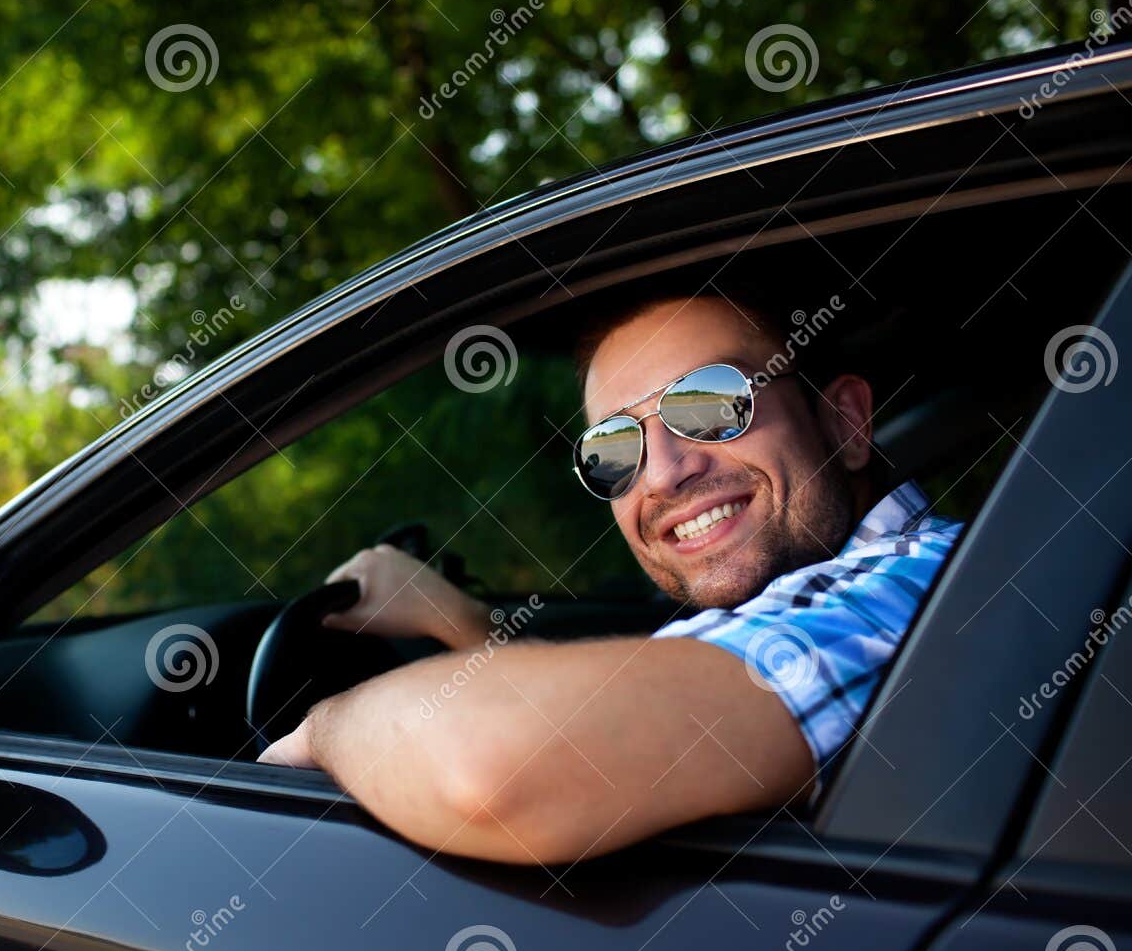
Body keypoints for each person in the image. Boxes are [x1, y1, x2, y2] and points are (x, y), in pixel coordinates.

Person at [258, 294, 962, 864]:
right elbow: (648, 705)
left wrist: (322, 730)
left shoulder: (915, 587)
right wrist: (465, 626)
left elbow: (494, 767)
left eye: (712, 404)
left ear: (844, 420)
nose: (662, 472)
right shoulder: (848, 601)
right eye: (613, 448)